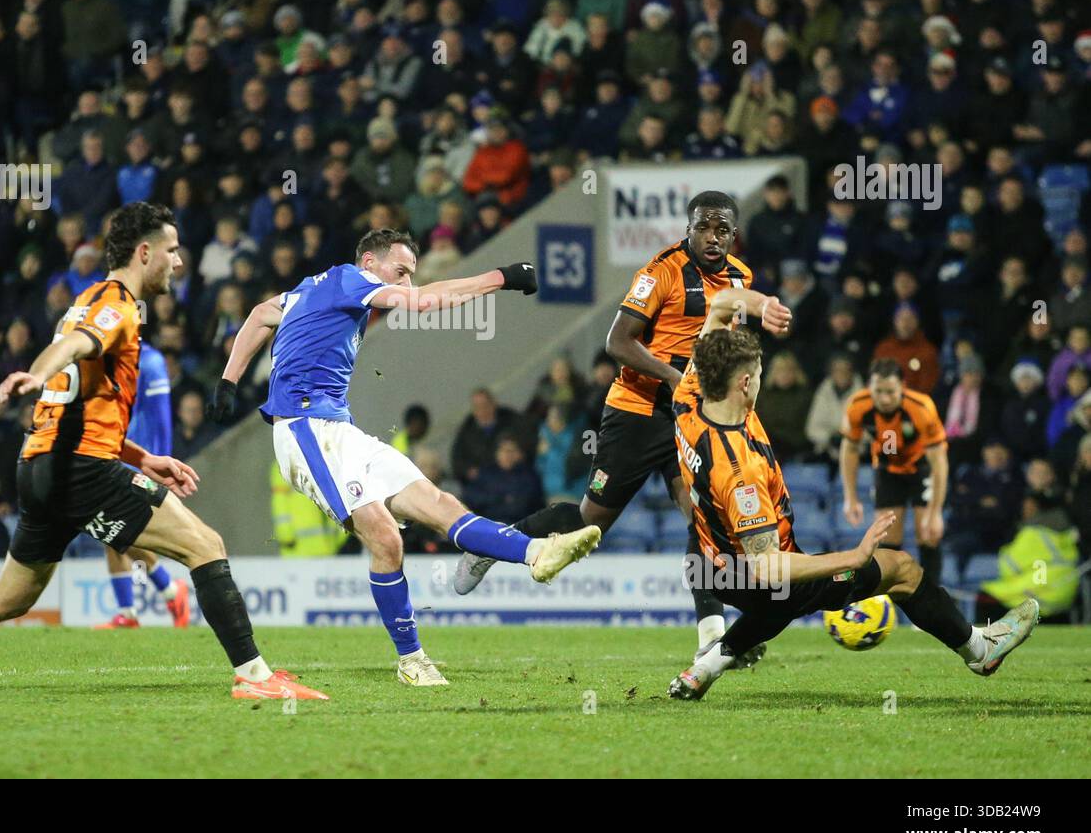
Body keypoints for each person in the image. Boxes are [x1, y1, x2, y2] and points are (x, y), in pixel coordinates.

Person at [0, 203, 326, 703]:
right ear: (144, 253)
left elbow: (83, 398)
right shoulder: (115, 306)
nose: (179, 262)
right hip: (79, 469)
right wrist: (35, 372)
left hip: (42, 465)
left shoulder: (88, 299)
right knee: (205, 545)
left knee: (8, 598)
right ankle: (253, 674)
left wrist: (142, 459)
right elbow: (75, 346)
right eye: (172, 250)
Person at [205, 228, 600, 686]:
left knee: (440, 504)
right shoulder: (353, 280)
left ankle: (536, 552)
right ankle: (412, 660)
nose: (407, 285)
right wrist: (502, 277)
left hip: (341, 430)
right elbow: (426, 303)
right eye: (402, 272)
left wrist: (229, 381)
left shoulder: (312, 287)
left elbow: (258, 314)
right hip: (305, 428)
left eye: (412, 275)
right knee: (386, 537)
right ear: (370, 263)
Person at [667, 287, 1038, 700]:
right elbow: (769, 570)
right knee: (899, 569)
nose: (762, 379)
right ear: (744, 382)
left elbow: (719, 304)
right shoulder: (740, 470)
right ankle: (980, 649)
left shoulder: (689, 396)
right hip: (752, 576)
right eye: (758, 372)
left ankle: (703, 668)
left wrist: (762, 307)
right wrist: (853, 557)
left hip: (703, 562)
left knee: (778, 604)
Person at [454, 191, 759, 665]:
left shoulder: (741, 278)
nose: (713, 238)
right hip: (637, 412)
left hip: (689, 418)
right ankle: (490, 543)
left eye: (723, 230)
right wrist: (678, 379)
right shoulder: (661, 272)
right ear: (689, 228)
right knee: (589, 523)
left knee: (704, 517)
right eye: (704, 227)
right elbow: (617, 342)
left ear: (733, 234)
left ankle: (711, 639)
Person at [95, 340, 192, 629]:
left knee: (119, 530)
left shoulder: (149, 361)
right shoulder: (106, 358)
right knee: (107, 531)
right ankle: (136, 608)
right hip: (113, 454)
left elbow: (161, 415)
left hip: (140, 460)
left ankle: (168, 591)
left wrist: (160, 461)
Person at [839, 358, 949, 586]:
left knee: (928, 534)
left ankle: (932, 606)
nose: (885, 399)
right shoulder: (858, 406)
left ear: (902, 387)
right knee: (887, 540)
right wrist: (850, 498)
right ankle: (885, 604)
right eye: (878, 391)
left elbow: (939, 461)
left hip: (921, 468)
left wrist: (936, 511)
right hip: (888, 469)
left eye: (891, 392)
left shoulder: (921, 408)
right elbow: (849, 450)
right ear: (870, 387)